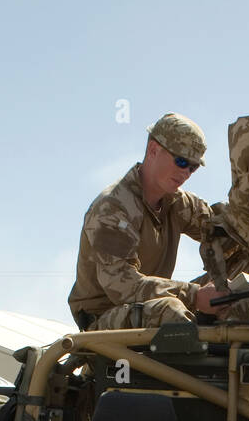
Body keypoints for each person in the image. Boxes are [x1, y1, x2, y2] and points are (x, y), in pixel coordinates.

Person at [68, 113, 226, 331]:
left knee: (232, 288)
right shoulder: (113, 208)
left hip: (147, 307)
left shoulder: (177, 203)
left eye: (193, 167)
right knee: (170, 311)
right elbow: (122, 286)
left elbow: (223, 228)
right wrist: (195, 295)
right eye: (181, 161)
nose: (186, 173)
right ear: (153, 150)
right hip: (104, 318)